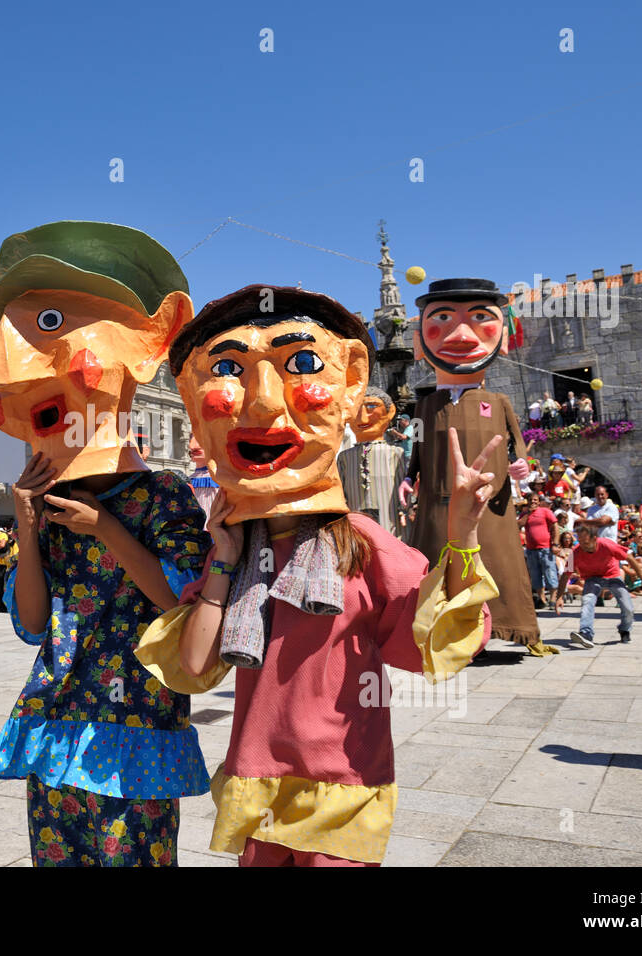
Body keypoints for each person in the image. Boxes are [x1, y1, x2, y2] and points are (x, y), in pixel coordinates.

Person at [138, 283, 495, 867]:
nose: (261, 404)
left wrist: (463, 532)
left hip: (342, 785)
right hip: (258, 783)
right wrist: (224, 556)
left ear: (351, 382)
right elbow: (196, 667)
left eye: (301, 364)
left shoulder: (359, 543)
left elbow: (434, 643)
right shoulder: (237, 550)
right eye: (228, 370)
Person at [0, 220, 211, 866]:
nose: (1, 366)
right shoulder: (47, 503)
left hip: (135, 732)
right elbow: (29, 622)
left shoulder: (164, 496)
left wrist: (105, 529)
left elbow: (179, 607)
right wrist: (27, 525)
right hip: (57, 730)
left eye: (49, 323)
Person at [400, 278, 547, 654]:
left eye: (480, 317)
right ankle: (436, 630)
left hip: (489, 504)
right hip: (437, 502)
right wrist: (407, 478)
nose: (461, 334)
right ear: (421, 337)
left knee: (496, 563)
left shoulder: (498, 402)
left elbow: (520, 451)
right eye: (443, 318)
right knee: (437, 565)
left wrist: (521, 469)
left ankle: (502, 627)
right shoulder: (424, 406)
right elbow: (416, 451)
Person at [554, 523, 642, 646]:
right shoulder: (576, 552)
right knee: (587, 601)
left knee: (627, 606)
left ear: (595, 539)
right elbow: (565, 575)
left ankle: (625, 629)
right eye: (580, 541)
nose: (582, 546)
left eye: (586, 543)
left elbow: (630, 558)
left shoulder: (607, 545)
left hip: (612, 576)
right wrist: (559, 596)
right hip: (592, 579)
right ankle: (586, 633)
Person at [337, 386, 406, 539]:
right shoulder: (344, 457)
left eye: (371, 407)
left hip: (391, 522)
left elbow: (404, 488)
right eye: (356, 409)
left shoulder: (396, 454)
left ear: (390, 412)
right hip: (356, 522)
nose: (363, 418)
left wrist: (406, 510)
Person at [520, 494, 559, 608]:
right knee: (535, 575)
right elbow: (519, 524)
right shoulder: (525, 514)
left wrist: (555, 543)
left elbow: (555, 526)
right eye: (531, 500)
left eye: (535, 500)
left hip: (545, 548)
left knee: (549, 572)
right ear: (527, 501)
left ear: (539, 501)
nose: (533, 502)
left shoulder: (545, 511)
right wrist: (528, 513)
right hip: (531, 549)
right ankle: (542, 599)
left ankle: (553, 598)